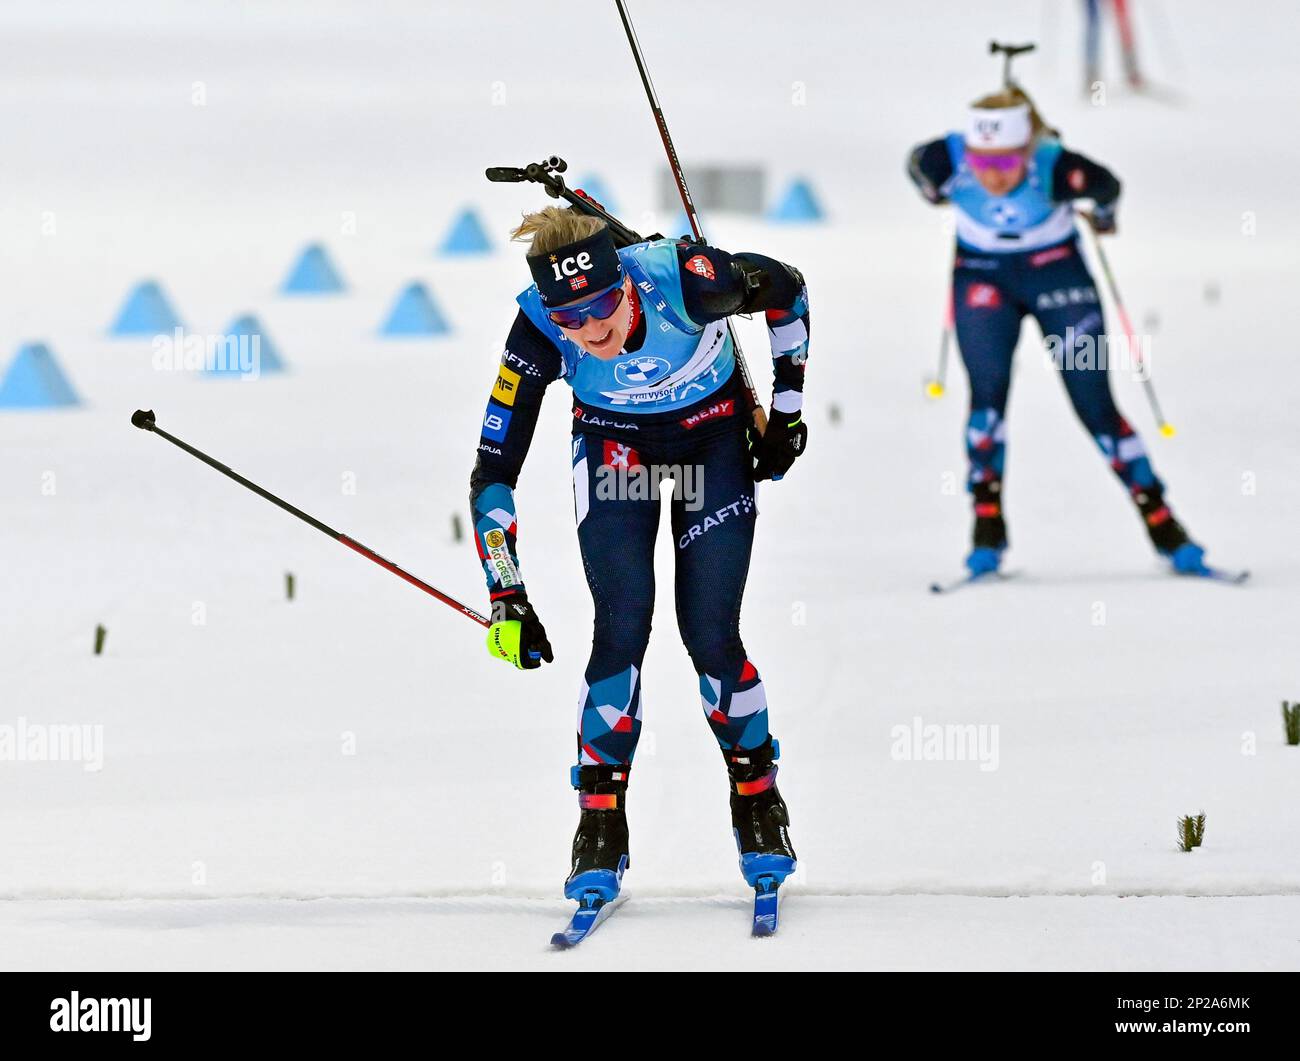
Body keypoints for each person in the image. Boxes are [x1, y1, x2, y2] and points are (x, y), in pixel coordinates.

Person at [469, 205, 810, 906]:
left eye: (601, 307)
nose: (590, 331)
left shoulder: (689, 281)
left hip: (711, 441)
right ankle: (600, 824)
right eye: (571, 320)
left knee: (711, 634)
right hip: (614, 449)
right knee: (620, 630)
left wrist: (787, 413)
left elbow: (791, 291)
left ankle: (757, 801)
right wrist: (507, 592)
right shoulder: (537, 326)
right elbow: (492, 472)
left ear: (623, 280)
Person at [907, 86, 1205, 576]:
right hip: (982, 280)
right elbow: (916, 168)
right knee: (986, 399)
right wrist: (931, 190)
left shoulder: (1056, 165)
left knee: (1094, 403)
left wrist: (1104, 217)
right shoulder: (945, 156)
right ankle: (986, 528)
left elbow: (1107, 186)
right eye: (982, 163)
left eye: (1007, 162)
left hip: (1059, 279)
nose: (994, 176)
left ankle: (1164, 524)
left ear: (1028, 149)